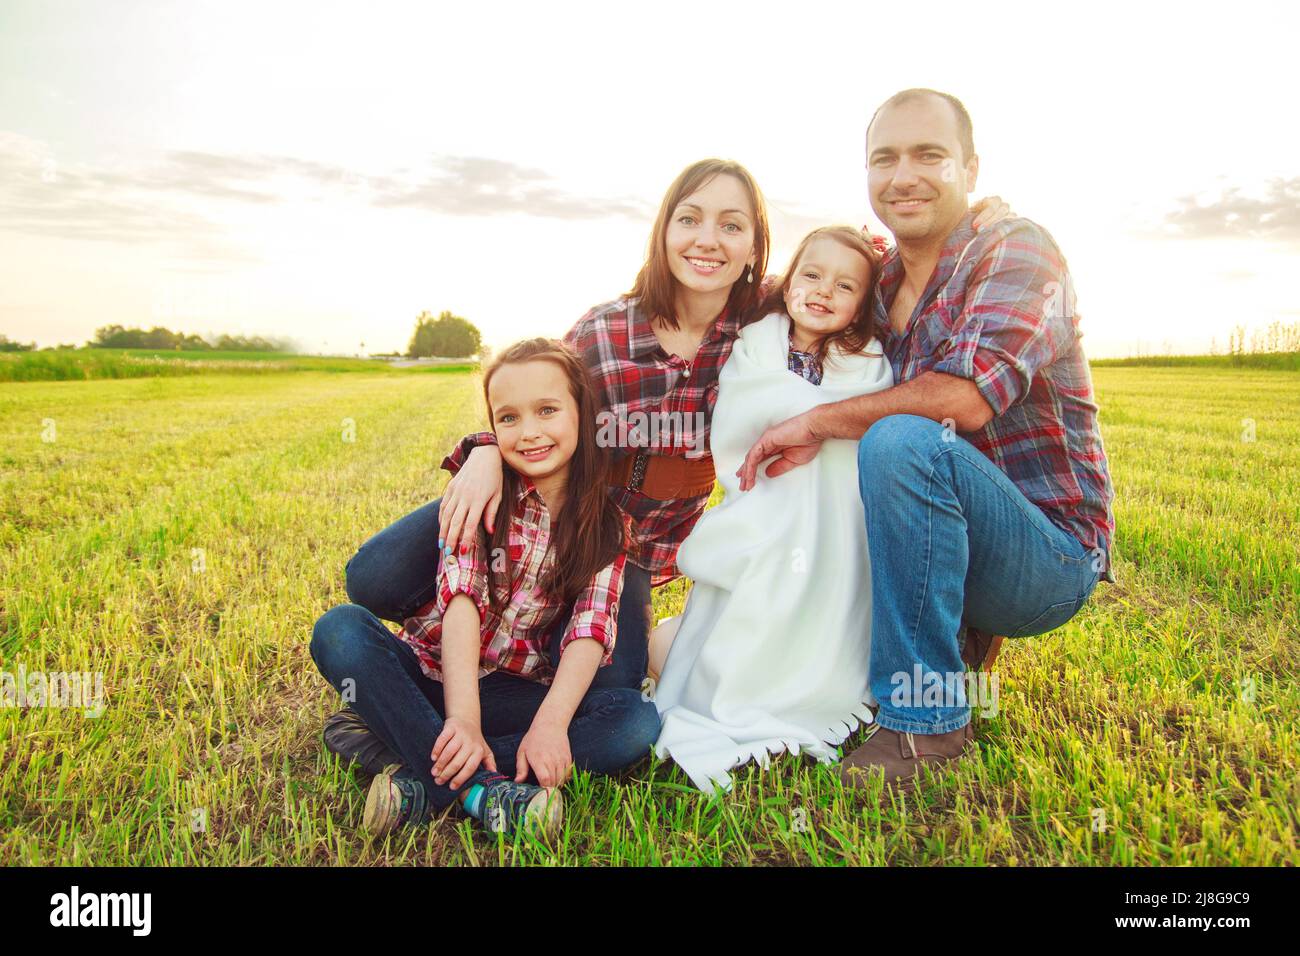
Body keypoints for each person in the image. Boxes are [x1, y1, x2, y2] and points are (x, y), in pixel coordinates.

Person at [328, 157, 1010, 776]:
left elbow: (858, 276)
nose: (707, 239)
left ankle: (408, 741)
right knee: (374, 576)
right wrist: (480, 448)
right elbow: (535, 401)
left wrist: (972, 227)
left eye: (731, 225)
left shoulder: (761, 324)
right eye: (690, 219)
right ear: (663, 231)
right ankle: (447, 702)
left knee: (622, 704)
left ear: (754, 249)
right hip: (536, 520)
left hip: (622, 560)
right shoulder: (605, 331)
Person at [735, 89, 1116, 792]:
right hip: (953, 539)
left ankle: (927, 723)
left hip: (1048, 556)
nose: (903, 175)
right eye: (885, 158)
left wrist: (813, 423)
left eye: (928, 155)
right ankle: (906, 660)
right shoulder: (875, 281)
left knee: (902, 438)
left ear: (970, 167)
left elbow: (964, 399)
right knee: (878, 447)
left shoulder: (1019, 249)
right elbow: (758, 302)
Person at [310, 338, 661, 837]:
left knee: (633, 722)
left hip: (511, 689)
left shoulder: (607, 524)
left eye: (547, 410)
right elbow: (461, 599)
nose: (530, 432)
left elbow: (591, 627)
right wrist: (464, 721)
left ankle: (400, 754)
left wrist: (551, 725)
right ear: (493, 428)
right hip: (432, 673)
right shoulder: (484, 493)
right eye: (509, 418)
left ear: (582, 414)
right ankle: (482, 790)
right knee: (339, 630)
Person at [650, 225, 894, 791]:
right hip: (769, 497)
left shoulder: (869, 358)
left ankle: (801, 684)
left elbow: (868, 415)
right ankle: (729, 683)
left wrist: (821, 419)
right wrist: (811, 412)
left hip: (830, 515)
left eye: (844, 285)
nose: (823, 291)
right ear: (789, 283)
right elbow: (742, 407)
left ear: (861, 305)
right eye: (811, 275)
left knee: (813, 582)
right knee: (755, 575)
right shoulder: (760, 340)